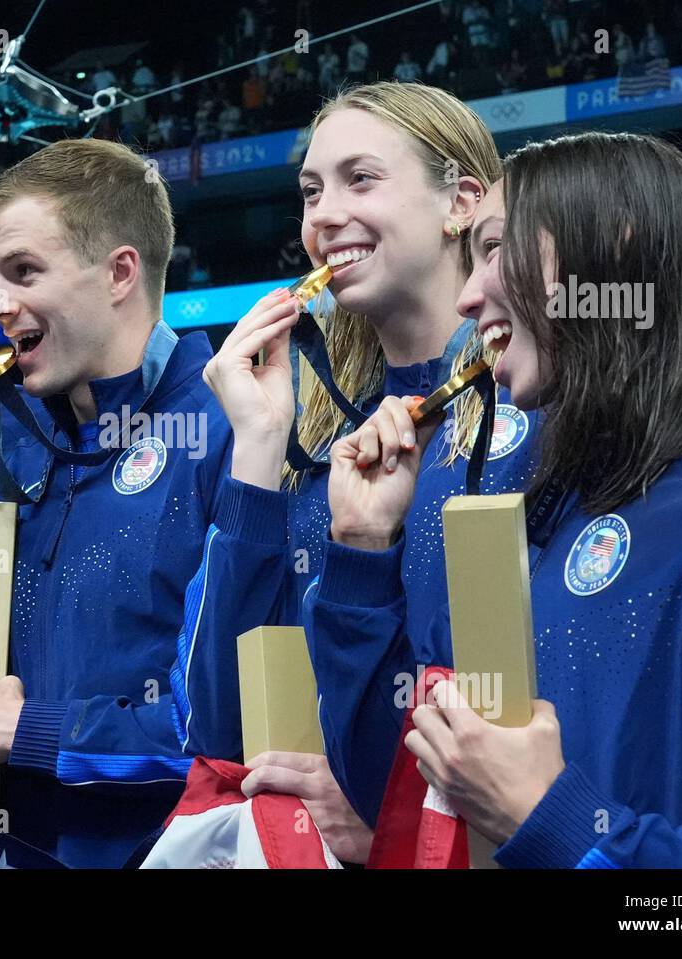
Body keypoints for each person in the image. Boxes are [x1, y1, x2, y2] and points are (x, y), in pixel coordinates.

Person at [310, 131, 682, 867]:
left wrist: (564, 821)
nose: (470, 295)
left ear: (612, 244)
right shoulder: (538, 500)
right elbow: (403, 797)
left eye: (496, 249)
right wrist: (362, 549)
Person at [0, 138, 287, 868]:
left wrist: (27, 731)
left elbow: (228, 743)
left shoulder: (233, 431)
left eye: (24, 271)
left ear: (120, 272)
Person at [201, 82, 538, 841]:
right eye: (311, 191)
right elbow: (224, 721)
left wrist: (389, 815)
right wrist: (256, 452)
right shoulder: (305, 431)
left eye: (360, 179)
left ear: (462, 203)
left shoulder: (537, 411)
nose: (322, 215)